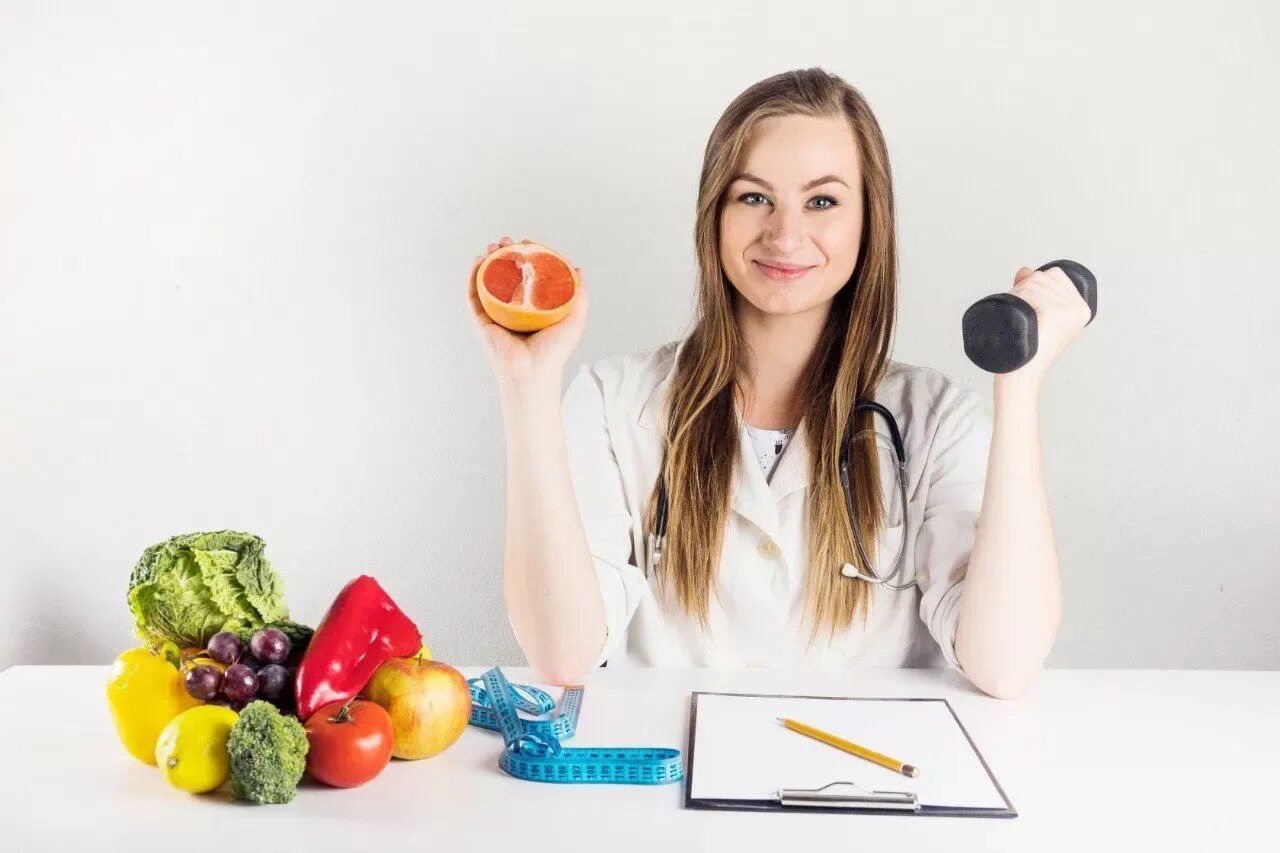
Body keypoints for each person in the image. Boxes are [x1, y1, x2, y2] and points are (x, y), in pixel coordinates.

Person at [466, 67, 1091, 699]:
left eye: (822, 201)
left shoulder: (935, 419)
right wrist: (528, 384)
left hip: (863, 784)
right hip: (663, 787)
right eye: (753, 197)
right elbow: (562, 654)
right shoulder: (612, 401)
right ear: (715, 213)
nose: (785, 235)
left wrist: (1020, 384)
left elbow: (1003, 665)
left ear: (868, 223)